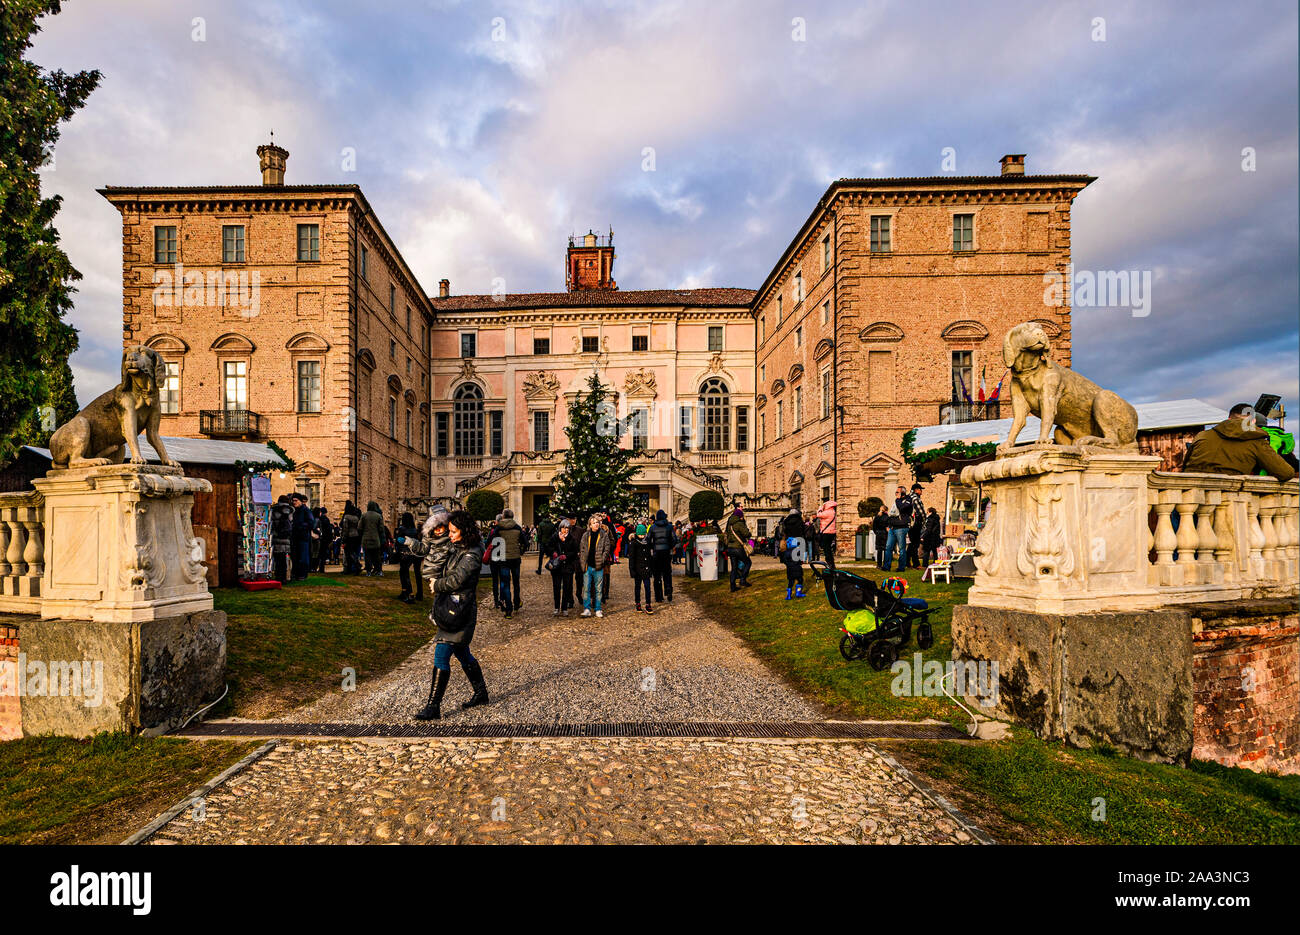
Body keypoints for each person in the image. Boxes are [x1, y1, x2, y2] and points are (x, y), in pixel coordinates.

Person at [413, 510, 490, 720]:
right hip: (454, 607)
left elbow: (457, 580)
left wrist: (436, 584)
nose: (451, 535)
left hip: (459, 610)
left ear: (464, 532)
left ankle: (433, 706)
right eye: (450, 531)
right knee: (462, 652)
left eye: (454, 531)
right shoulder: (459, 547)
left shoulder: (471, 554)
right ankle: (481, 693)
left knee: (442, 653)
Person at [1185, 403, 1297, 481]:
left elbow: (1185, 464)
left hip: (1189, 498)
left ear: (1229, 419)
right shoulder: (1256, 440)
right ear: (1253, 421)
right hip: (1227, 500)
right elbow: (1285, 473)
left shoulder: (1202, 435)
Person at [579, 513, 613, 618]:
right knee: (586, 589)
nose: (596, 524)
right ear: (590, 524)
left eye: (597, 522)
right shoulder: (585, 535)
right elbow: (582, 549)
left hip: (598, 566)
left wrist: (602, 559)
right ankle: (587, 609)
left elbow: (607, 548)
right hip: (587, 566)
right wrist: (583, 562)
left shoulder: (604, 535)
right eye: (594, 523)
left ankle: (598, 609)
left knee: (598, 589)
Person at [545, 519, 579, 615]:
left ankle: (564, 608)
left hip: (567, 567)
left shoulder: (572, 539)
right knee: (556, 587)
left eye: (567, 528)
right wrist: (553, 553)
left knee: (567, 588)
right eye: (564, 528)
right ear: (560, 528)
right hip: (557, 567)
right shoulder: (554, 537)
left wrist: (567, 556)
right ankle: (556, 607)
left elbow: (575, 552)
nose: (566, 530)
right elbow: (548, 547)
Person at [494, 509, 524, 617]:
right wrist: (520, 551)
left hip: (503, 559)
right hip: (515, 558)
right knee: (516, 582)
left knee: (505, 584)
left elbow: (495, 543)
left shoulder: (498, 528)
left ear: (503, 516)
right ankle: (516, 603)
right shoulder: (517, 527)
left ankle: (508, 609)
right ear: (512, 516)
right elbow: (525, 541)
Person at [647, 509, 676, 603]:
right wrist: (670, 546)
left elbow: (648, 540)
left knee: (657, 575)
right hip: (666, 552)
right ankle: (668, 589)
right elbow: (674, 539)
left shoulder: (653, 527)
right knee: (667, 572)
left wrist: (653, 547)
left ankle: (658, 596)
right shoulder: (669, 527)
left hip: (656, 553)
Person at [626, 523, 656, 614]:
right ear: (637, 534)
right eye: (640, 535)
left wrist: (651, 567)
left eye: (643, 534)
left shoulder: (647, 542)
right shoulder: (634, 543)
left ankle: (648, 604)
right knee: (637, 587)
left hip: (646, 568)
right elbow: (631, 558)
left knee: (647, 587)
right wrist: (632, 570)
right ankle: (638, 602)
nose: (642, 536)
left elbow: (650, 556)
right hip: (638, 569)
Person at [777, 508, 806, 600]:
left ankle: (789, 595)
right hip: (797, 545)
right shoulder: (800, 522)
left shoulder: (785, 522)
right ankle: (798, 593)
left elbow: (782, 533)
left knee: (790, 577)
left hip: (788, 546)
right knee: (799, 576)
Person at [395, 511, 423, 603]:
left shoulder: (402, 529)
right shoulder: (415, 531)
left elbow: (399, 541)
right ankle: (418, 593)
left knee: (404, 572)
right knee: (415, 573)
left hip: (405, 553)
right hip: (415, 553)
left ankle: (409, 594)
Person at [882, 486, 912, 573]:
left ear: (902, 493)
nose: (896, 494)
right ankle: (886, 566)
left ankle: (901, 567)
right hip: (892, 527)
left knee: (901, 549)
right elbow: (891, 514)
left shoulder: (908, 500)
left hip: (901, 527)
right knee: (888, 547)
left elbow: (902, 507)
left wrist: (898, 499)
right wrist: (888, 525)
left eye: (897, 492)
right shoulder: (897, 501)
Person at [289, 492, 317, 581]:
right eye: (293, 501)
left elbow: (311, 523)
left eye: (296, 500)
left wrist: (299, 526)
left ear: (300, 501)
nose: (294, 502)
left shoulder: (305, 510)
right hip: (295, 537)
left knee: (303, 557)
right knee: (295, 556)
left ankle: (302, 574)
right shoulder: (294, 511)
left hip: (303, 537)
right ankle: (296, 574)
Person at [723, 507, 752, 592]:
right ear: (740, 516)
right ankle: (742, 580)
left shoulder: (729, 524)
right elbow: (747, 534)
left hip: (730, 548)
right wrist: (747, 530)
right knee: (748, 562)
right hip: (738, 548)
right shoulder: (739, 523)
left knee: (734, 568)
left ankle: (732, 586)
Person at [270, 494, 293, 584]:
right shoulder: (290, 512)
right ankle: (283, 578)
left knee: (277, 559)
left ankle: (278, 576)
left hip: (277, 537)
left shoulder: (275, 510)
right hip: (286, 539)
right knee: (284, 559)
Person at [360, 500, 385, 576]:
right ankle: (379, 571)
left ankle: (368, 571)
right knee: (377, 555)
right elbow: (381, 529)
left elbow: (359, 527)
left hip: (366, 538)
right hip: (376, 538)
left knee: (367, 556)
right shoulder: (378, 516)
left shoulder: (364, 515)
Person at [339, 500, 362, 574]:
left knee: (349, 552)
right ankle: (353, 567)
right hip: (356, 536)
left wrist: (343, 539)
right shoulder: (356, 517)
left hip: (349, 536)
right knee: (353, 552)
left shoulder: (346, 517)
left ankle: (357, 565)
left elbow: (345, 529)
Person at [815, 497, 838, 570]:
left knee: (826, 548)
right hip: (831, 532)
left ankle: (830, 563)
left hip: (827, 532)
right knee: (827, 548)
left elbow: (818, 515)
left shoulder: (828, 512)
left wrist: (820, 508)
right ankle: (831, 563)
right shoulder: (833, 511)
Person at [905, 483, 925, 570]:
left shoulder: (908, 498)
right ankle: (916, 564)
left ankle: (907, 561)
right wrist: (925, 520)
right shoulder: (915, 498)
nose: (921, 492)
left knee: (912, 543)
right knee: (915, 544)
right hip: (916, 523)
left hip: (909, 523)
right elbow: (921, 512)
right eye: (920, 490)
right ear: (917, 490)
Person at [311, 507, 333, 572]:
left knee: (318, 553)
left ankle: (317, 567)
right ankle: (321, 568)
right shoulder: (324, 519)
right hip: (324, 538)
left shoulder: (317, 519)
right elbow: (328, 530)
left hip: (320, 538)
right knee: (322, 554)